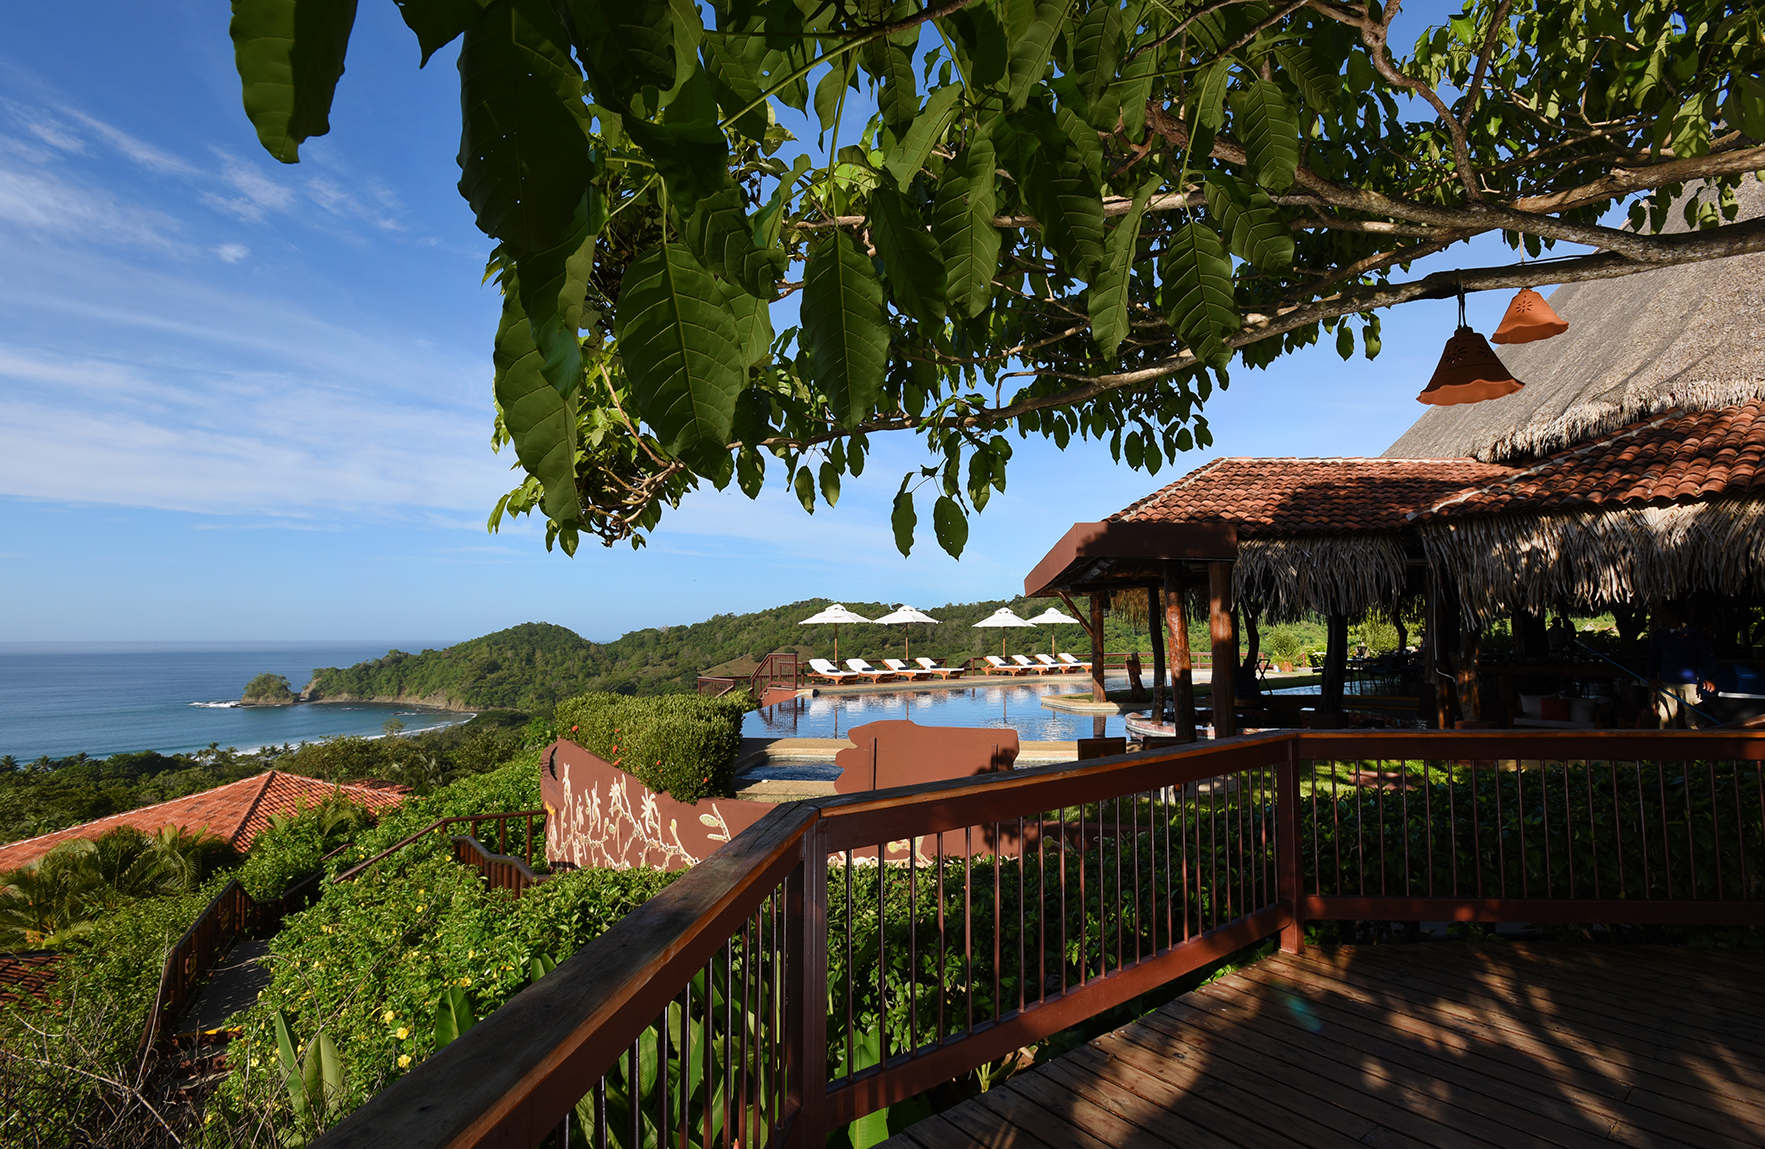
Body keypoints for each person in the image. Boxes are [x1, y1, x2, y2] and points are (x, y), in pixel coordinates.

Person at [1646, 604, 1717, 728]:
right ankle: (1668, 744)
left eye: (1664, 613)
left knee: (1694, 717)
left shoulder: (1691, 633)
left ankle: (1698, 743)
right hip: (1665, 681)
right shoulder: (1660, 635)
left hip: (1689, 682)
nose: (1661, 617)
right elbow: (1653, 657)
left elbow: (1706, 654)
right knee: (1666, 718)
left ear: (1675, 615)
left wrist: (1710, 676)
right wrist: (1652, 676)